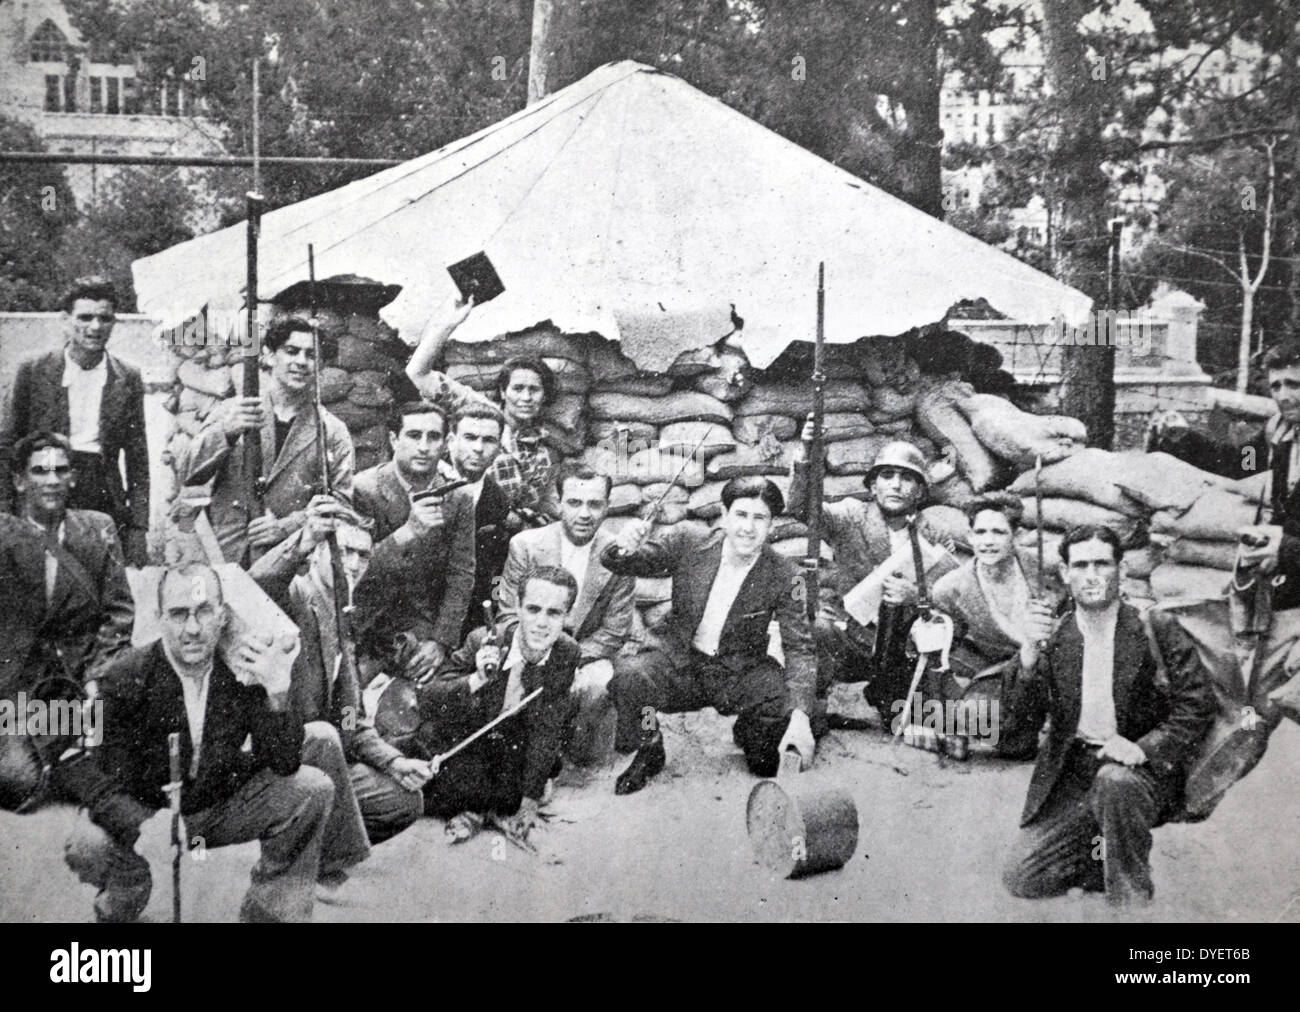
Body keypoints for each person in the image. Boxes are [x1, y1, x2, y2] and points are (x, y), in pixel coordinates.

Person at [64, 563, 344, 922]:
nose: (193, 629)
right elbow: (96, 777)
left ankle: (271, 915)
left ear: (223, 616)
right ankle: (128, 888)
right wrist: (142, 826)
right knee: (89, 842)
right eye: (179, 614)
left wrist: (277, 693)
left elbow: (285, 764)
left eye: (204, 611)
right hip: (147, 816)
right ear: (159, 618)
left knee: (312, 788)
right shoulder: (123, 677)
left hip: (211, 809)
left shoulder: (245, 667)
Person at [1001, 525, 1215, 907]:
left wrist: (1144, 747)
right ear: (1065, 574)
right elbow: (1018, 726)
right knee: (1023, 877)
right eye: (1080, 565)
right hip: (1076, 772)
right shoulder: (1055, 636)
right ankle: (1102, 852)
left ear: (1123, 570)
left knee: (1115, 783)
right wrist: (1029, 654)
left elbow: (1196, 706)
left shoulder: (1154, 627)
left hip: (1141, 772)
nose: (1092, 575)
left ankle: (1131, 899)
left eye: (1102, 564)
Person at [601, 477, 818, 795]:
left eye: (760, 518)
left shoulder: (787, 575)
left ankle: (753, 729)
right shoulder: (689, 540)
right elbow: (629, 562)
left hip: (739, 672)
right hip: (680, 662)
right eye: (741, 515)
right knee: (630, 676)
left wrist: (800, 714)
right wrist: (623, 546)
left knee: (766, 762)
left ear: (772, 525)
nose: (748, 528)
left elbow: (800, 646)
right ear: (724, 515)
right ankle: (649, 746)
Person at [250, 496, 428, 846]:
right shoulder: (295, 597)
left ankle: (316, 851)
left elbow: (351, 718)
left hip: (327, 759)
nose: (354, 563)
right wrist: (304, 540)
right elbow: (259, 583)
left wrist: (392, 762)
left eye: (363, 555)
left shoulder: (344, 616)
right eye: (344, 550)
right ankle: (300, 851)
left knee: (402, 800)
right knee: (321, 745)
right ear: (317, 553)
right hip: (281, 759)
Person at [0, 432, 134, 811]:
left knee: (130, 762)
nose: (53, 479)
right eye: (40, 471)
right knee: (18, 781)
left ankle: (67, 750)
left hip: (77, 679)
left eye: (61, 470)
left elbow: (119, 613)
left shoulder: (97, 529)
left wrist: (98, 677)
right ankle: (59, 755)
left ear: (74, 477)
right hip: (18, 689)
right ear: (20, 480)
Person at [788, 426, 958, 717]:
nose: (896, 485)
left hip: (904, 646)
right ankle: (812, 708)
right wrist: (807, 452)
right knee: (816, 629)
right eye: (887, 476)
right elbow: (804, 508)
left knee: (924, 715)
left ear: (920, 491)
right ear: (872, 486)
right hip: (852, 639)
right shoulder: (851, 516)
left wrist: (916, 596)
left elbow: (952, 596)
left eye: (907, 478)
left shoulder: (935, 536)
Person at [419, 565, 581, 846]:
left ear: (567, 616)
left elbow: (547, 728)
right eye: (533, 609)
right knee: (429, 775)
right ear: (517, 608)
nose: (541, 622)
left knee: (532, 779)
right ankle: (483, 809)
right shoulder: (482, 638)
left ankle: (476, 811)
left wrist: (528, 802)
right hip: (470, 739)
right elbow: (429, 700)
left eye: (554, 613)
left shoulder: (567, 652)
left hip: (515, 744)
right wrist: (476, 679)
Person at [177, 316, 354, 566]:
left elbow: (341, 505)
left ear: (321, 366)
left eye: (311, 355)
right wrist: (226, 432)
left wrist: (287, 526)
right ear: (269, 356)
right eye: (291, 351)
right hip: (226, 553)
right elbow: (187, 472)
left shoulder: (332, 431)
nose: (301, 362)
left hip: (291, 562)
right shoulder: (234, 411)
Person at [0, 276, 149, 565]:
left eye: (104, 318)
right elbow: (6, 445)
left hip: (101, 489)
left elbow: (138, 457)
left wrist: (139, 527)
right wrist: (5, 513)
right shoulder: (32, 370)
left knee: (96, 578)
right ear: (65, 320)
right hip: (46, 481)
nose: (95, 327)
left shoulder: (127, 376)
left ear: (114, 322)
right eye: (85, 317)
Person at [497, 462, 635, 762]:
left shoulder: (619, 555)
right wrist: (538, 656)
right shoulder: (526, 545)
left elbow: (615, 631)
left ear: (607, 507)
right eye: (574, 502)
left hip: (585, 655)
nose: (584, 514)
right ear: (558, 503)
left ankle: (572, 750)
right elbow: (507, 614)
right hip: (530, 648)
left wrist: (568, 660)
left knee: (598, 685)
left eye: (594, 504)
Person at [351, 400, 476, 679]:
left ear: (445, 443)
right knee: (345, 702)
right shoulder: (363, 490)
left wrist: (441, 641)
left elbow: (461, 574)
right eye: (414, 435)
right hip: (365, 624)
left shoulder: (457, 497)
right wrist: (406, 533)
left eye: (433, 437)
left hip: (419, 628)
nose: (423, 447)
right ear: (394, 440)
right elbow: (354, 572)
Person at [930, 492, 1063, 728]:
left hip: (1057, 668)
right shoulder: (950, 589)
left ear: (1017, 535)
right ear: (969, 537)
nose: (988, 541)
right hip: (1004, 674)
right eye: (980, 532)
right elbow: (949, 651)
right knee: (976, 715)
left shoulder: (1046, 569)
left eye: (999, 532)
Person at [441, 403, 535, 643]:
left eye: (489, 440)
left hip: (467, 622)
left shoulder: (498, 502)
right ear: (451, 440)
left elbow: (494, 575)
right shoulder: (427, 484)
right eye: (470, 438)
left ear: (498, 447)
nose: (478, 448)